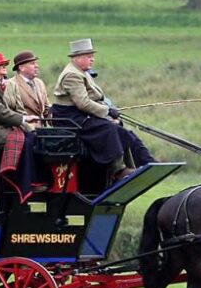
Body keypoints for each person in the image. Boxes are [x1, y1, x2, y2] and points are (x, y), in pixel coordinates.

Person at [50, 38, 154, 182]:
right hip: (72, 118)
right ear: (77, 58)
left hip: (82, 115)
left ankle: (144, 163)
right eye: (88, 56)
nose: (92, 59)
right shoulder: (72, 75)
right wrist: (106, 111)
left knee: (122, 131)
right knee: (109, 129)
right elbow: (83, 103)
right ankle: (118, 170)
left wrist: (109, 109)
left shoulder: (82, 72)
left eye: (92, 56)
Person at [3, 50, 50, 119]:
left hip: (41, 127)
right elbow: (10, 110)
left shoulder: (39, 82)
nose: (37, 66)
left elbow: (46, 107)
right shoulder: (11, 84)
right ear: (21, 68)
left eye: (36, 63)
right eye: (32, 63)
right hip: (23, 127)